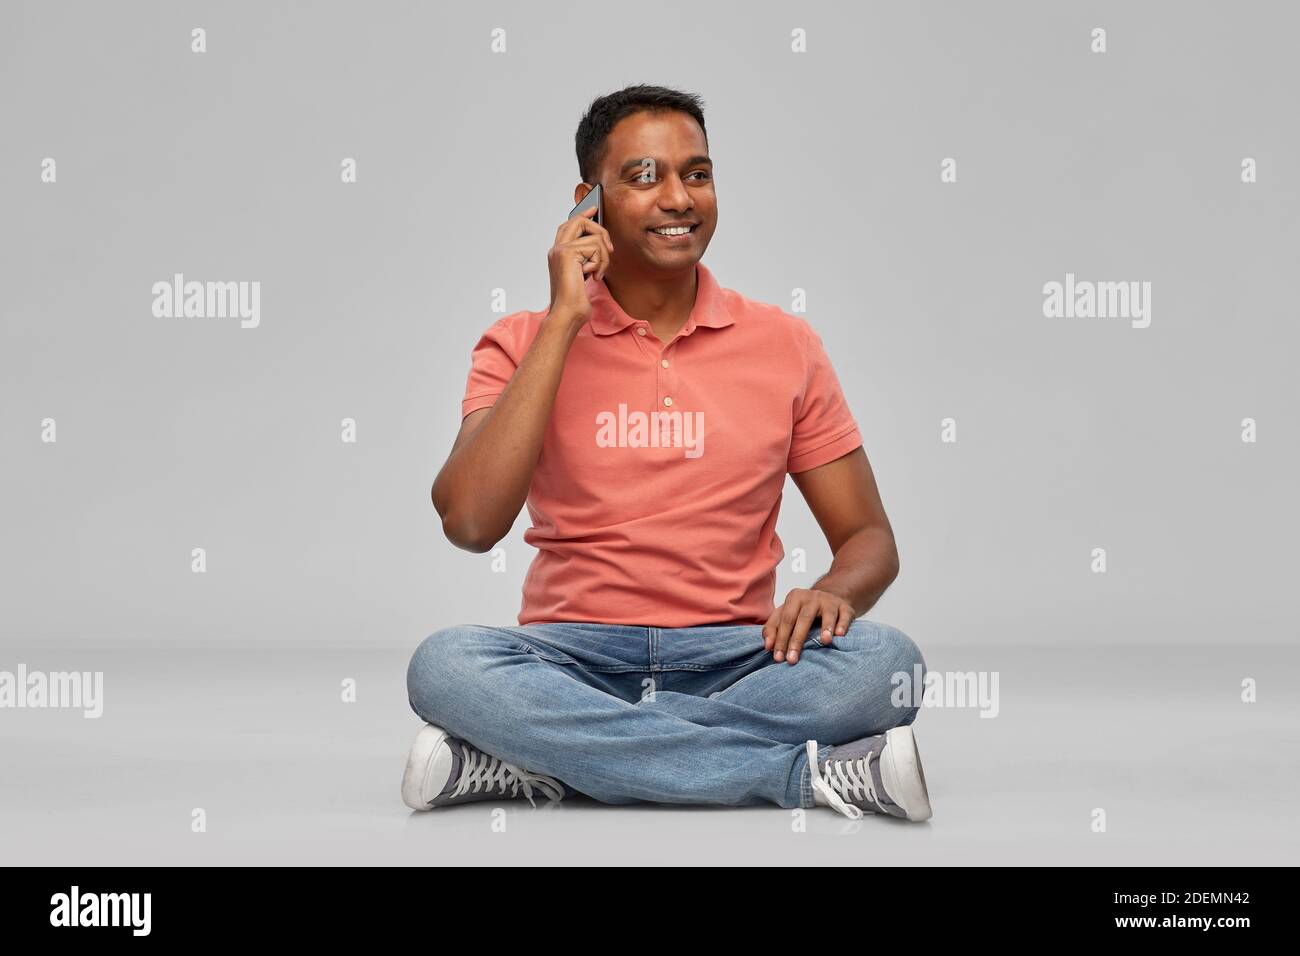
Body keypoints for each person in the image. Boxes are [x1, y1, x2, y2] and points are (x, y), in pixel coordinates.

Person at [402, 84, 932, 821]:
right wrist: (564, 320)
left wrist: (835, 594)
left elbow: (870, 537)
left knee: (888, 662)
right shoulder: (519, 341)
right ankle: (799, 778)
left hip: (739, 661)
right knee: (446, 667)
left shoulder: (786, 344)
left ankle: (538, 759)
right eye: (644, 177)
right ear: (588, 203)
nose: (679, 197)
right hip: (569, 660)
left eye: (698, 173)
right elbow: (468, 522)